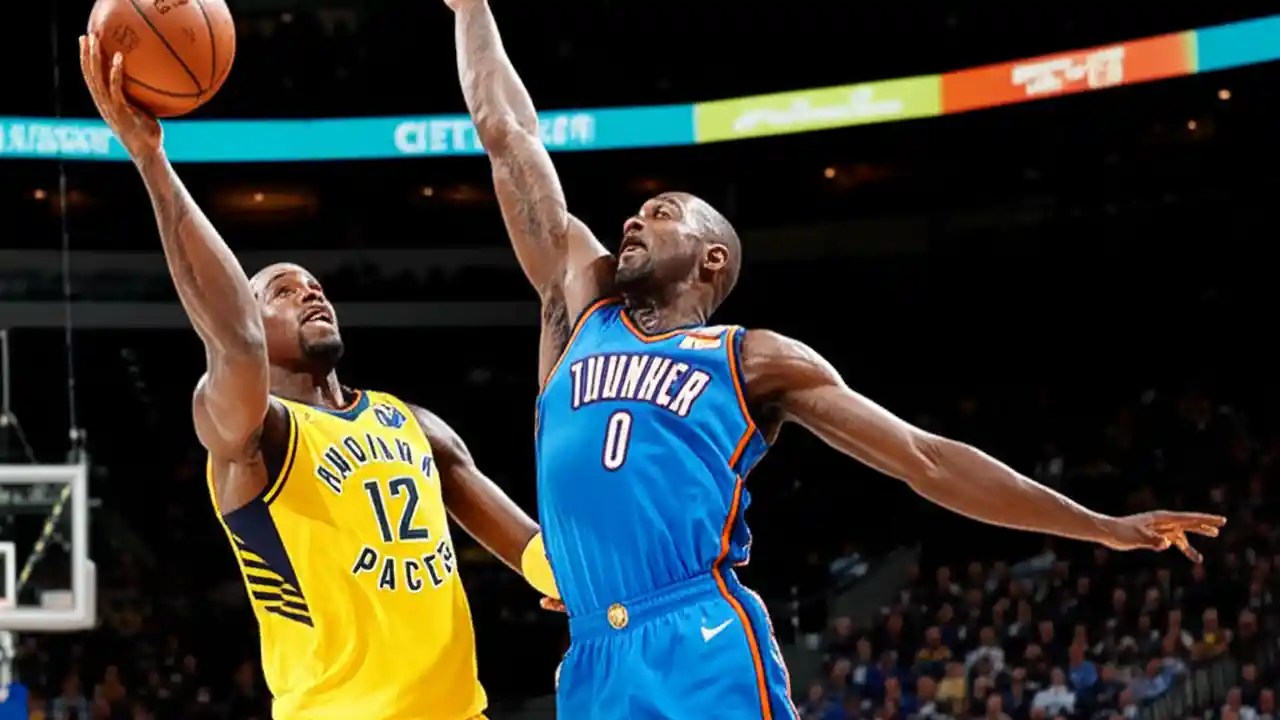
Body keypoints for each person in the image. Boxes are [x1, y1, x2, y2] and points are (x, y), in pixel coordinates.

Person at [446, 2, 1229, 718]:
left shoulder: (753, 360)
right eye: (637, 211)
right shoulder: (579, 306)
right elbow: (508, 132)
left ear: (712, 259)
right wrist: (473, 7)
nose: (632, 218)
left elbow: (925, 458)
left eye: (662, 213)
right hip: (591, 654)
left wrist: (1098, 525)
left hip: (698, 638)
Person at [79, 34, 560, 720]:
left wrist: (583, 580)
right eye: (282, 291)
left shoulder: (414, 424)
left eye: (314, 285)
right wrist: (152, 160)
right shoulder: (252, 437)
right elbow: (235, 340)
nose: (310, 293)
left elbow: (530, 548)